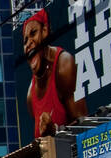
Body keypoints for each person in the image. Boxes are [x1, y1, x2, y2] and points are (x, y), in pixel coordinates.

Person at [21, 9, 87, 137]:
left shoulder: (64, 66)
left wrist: (55, 130)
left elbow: (85, 129)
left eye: (33, 33)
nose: (28, 43)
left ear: (45, 31)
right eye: (25, 41)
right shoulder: (30, 96)